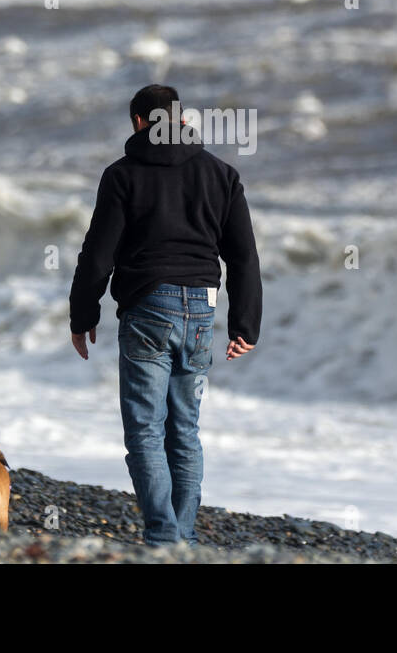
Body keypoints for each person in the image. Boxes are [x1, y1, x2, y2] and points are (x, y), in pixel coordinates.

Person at [68, 84, 261, 546]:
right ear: (179, 118)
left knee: (145, 432)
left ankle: (162, 538)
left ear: (139, 122)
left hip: (148, 307)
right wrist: (245, 325)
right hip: (201, 309)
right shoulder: (222, 175)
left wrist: (82, 314)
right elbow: (244, 257)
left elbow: (98, 254)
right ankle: (184, 538)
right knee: (185, 430)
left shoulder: (122, 176)